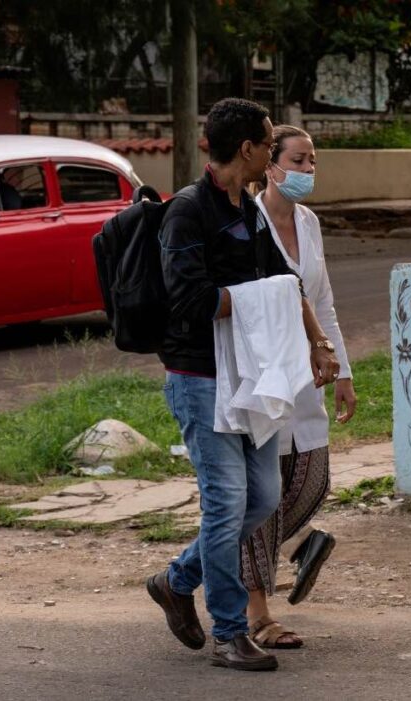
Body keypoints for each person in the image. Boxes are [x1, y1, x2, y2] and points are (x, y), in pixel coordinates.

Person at [145, 98, 340, 672]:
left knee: (262, 498)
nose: (275, 154)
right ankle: (229, 631)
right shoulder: (187, 212)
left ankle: (176, 581)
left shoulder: (248, 210)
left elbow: (285, 282)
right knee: (227, 502)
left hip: (245, 376)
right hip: (199, 377)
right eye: (267, 141)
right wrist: (261, 301)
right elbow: (191, 300)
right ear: (250, 150)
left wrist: (317, 342)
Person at [240, 125, 356, 649]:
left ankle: (205, 564)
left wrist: (344, 370)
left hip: (309, 374)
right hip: (265, 372)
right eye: (299, 160)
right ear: (270, 164)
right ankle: (258, 613)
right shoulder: (247, 221)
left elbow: (323, 299)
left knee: (311, 483)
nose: (308, 171)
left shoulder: (308, 223)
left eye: (313, 162)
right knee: (263, 499)